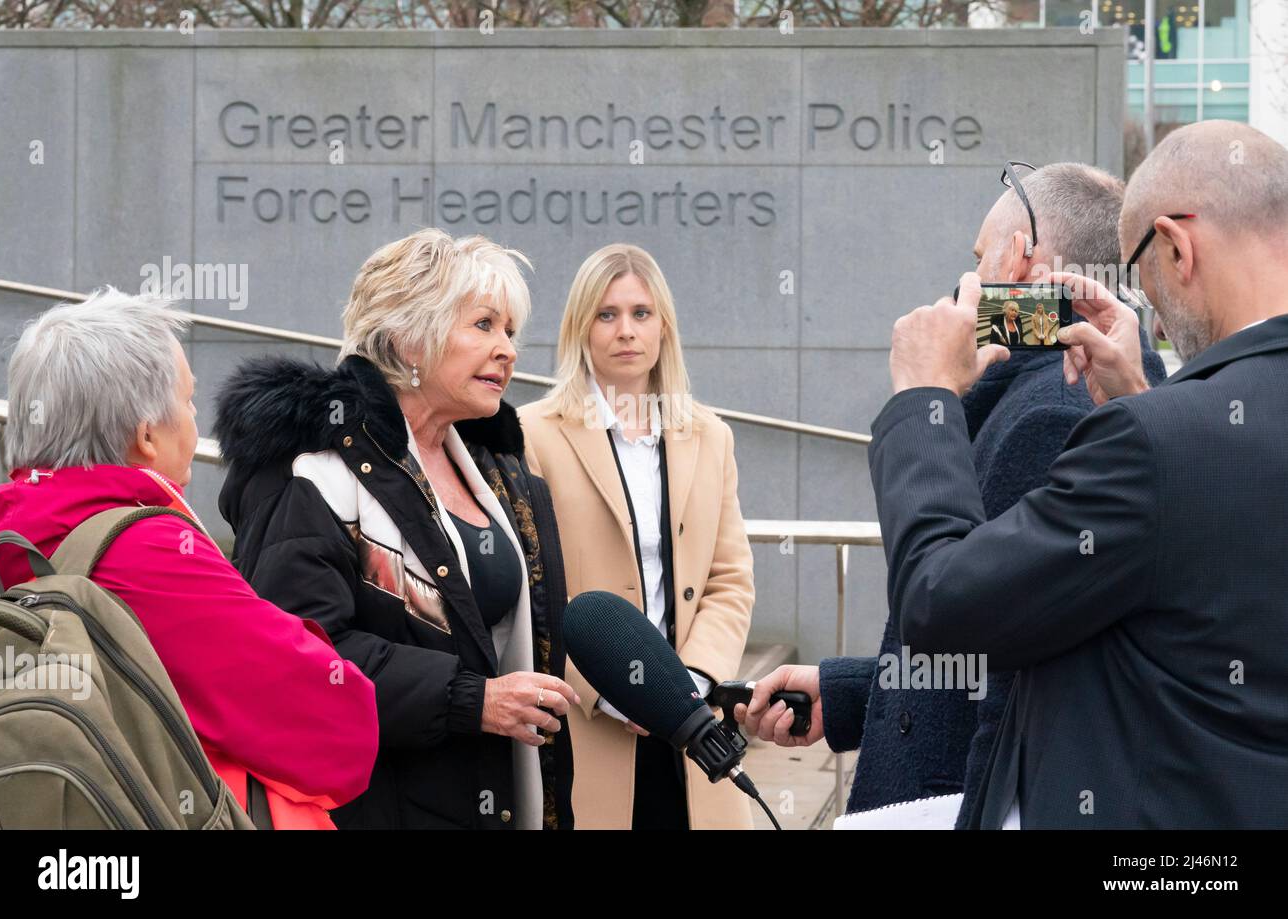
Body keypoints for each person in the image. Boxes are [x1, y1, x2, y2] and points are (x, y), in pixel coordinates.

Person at [861, 120, 1288, 828]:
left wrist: (922, 400)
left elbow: (943, 602)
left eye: (1139, 267)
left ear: (1177, 245)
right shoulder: (1180, 433)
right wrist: (1149, 408)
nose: (1143, 298)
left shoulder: (1154, 441)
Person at [739, 163, 1166, 828]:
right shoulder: (1064, 386)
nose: (960, 277)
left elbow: (982, 628)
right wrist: (852, 691)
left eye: (975, 257)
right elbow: (1007, 634)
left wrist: (921, 396)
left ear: (1018, 257)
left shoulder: (1053, 405)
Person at [215, 229, 578, 830]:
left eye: (511, 331)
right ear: (409, 337)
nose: (508, 349)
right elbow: (299, 656)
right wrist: (471, 701)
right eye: (484, 325)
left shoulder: (500, 470)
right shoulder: (315, 469)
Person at [0, 289, 378, 827]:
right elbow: (337, 729)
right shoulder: (153, 553)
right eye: (190, 401)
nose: (197, 421)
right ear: (146, 435)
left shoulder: (4, 540)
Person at [518, 243, 754, 829]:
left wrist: (687, 683)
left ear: (663, 325)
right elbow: (531, 591)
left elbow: (730, 578)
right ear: (580, 327)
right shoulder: (532, 435)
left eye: (641, 313)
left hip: (696, 722)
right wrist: (611, 692)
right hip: (590, 720)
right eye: (607, 314)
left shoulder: (710, 436)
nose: (626, 330)